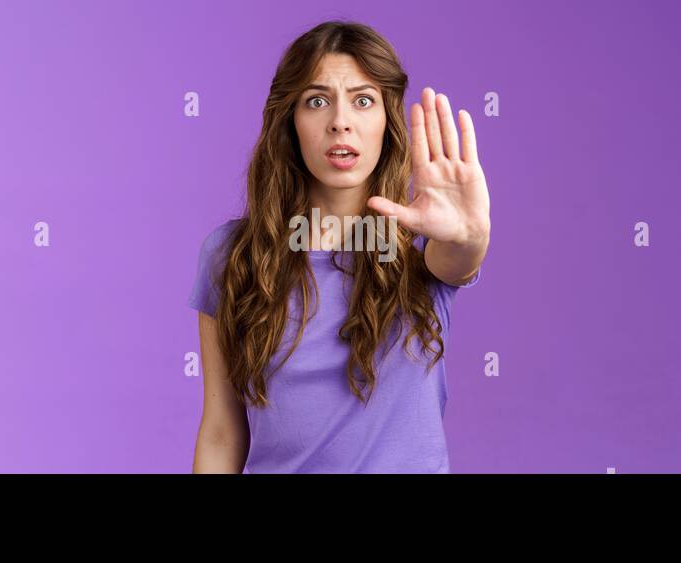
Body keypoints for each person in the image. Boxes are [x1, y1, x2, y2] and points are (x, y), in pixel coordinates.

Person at [190, 20, 490, 473]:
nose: (340, 122)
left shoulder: (420, 245)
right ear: (290, 119)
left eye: (363, 101)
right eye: (317, 101)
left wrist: (470, 237)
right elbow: (221, 432)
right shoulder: (230, 254)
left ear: (387, 120)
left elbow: (459, 260)